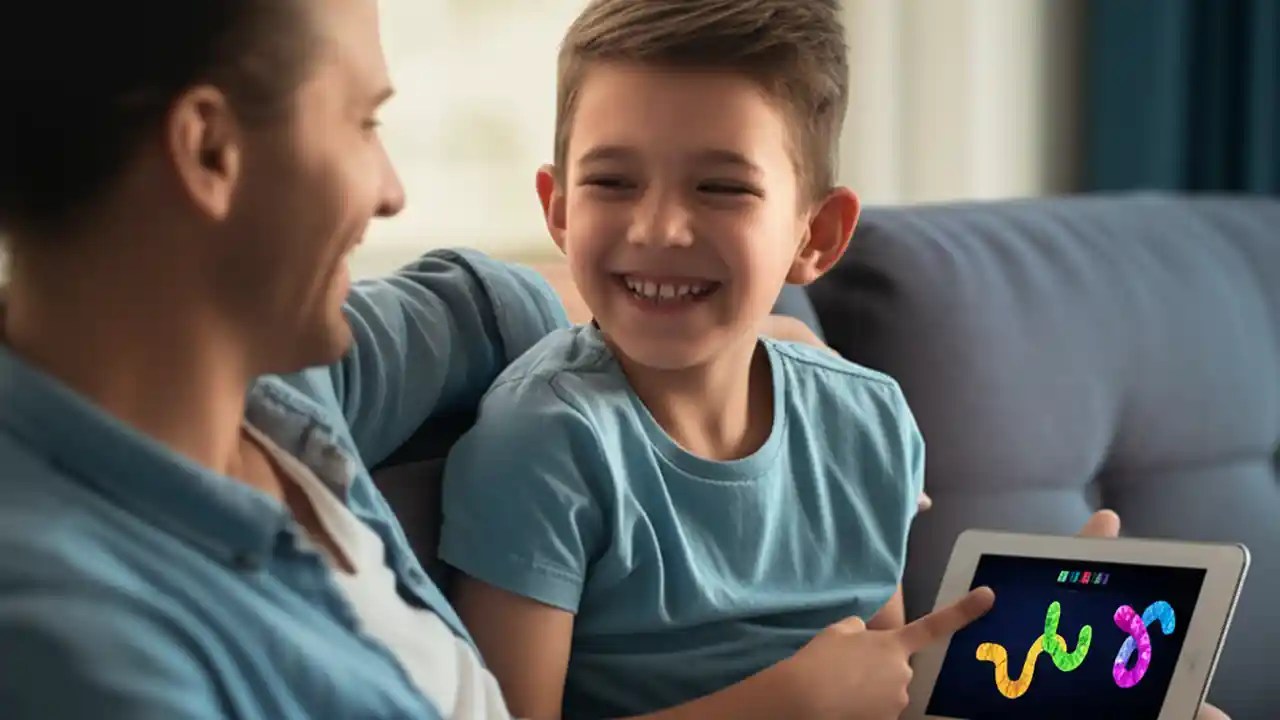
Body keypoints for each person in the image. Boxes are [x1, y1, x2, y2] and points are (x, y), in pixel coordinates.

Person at [0, 1, 1229, 719]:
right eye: (364, 123)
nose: (392, 190)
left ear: (817, 231)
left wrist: (703, 329)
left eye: (717, 188)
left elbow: (484, 298)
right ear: (209, 153)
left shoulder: (283, 384)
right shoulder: (93, 646)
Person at [437, 1, 932, 717]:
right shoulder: (545, 441)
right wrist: (782, 703)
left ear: (816, 234)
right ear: (560, 208)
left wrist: (1021, 644)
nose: (660, 228)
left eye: (722, 188)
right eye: (612, 181)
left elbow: (889, 675)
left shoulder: (869, 419)